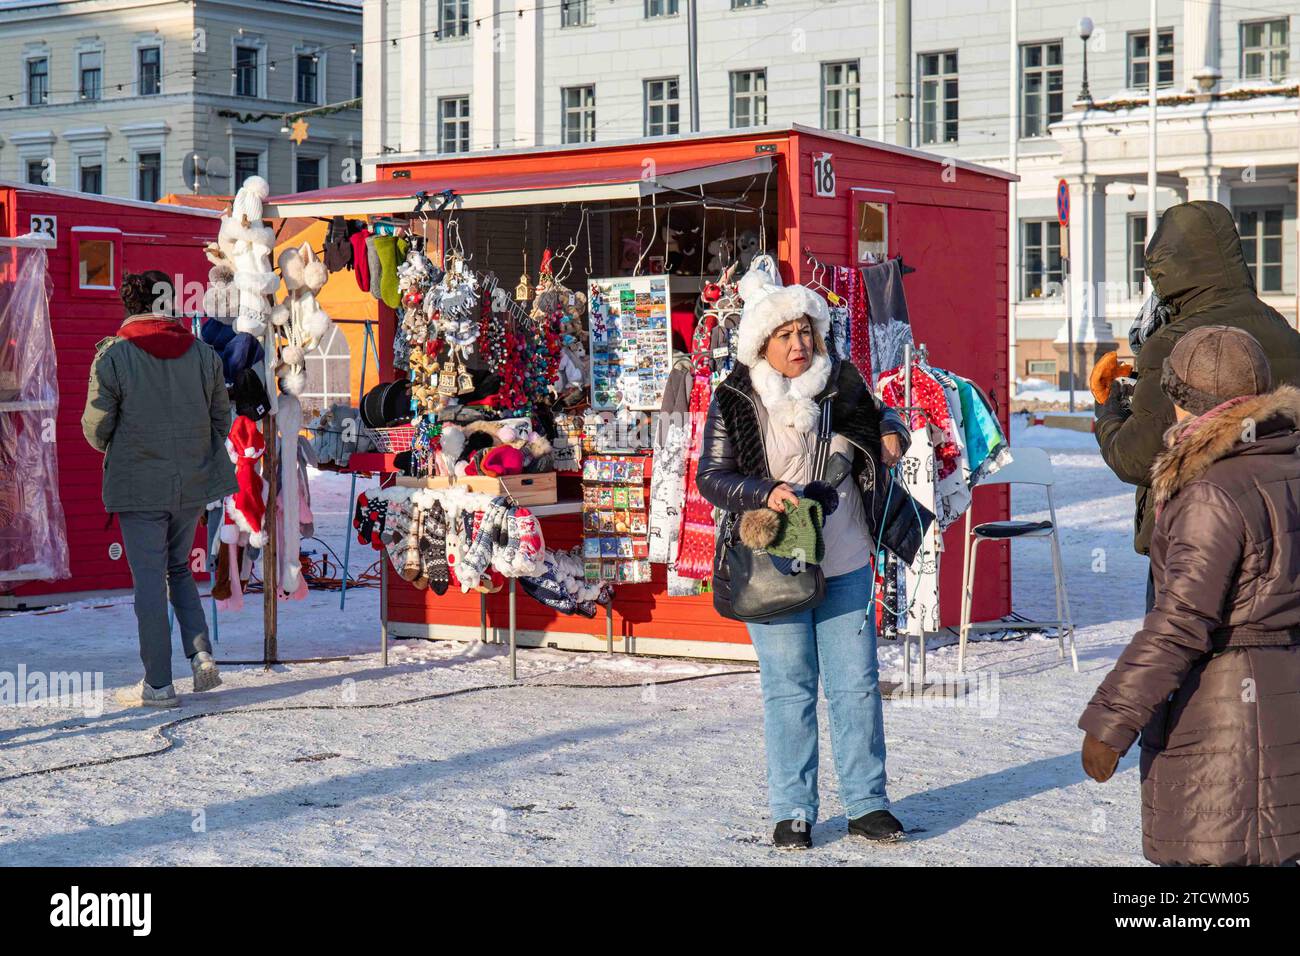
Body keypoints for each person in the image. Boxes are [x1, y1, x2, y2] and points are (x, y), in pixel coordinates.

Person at [696, 270, 910, 850]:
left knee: (857, 685)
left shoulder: (841, 381)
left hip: (843, 555)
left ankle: (868, 804)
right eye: (785, 334)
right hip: (773, 563)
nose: (799, 343)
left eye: (806, 331)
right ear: (761, 343)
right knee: (788, 690)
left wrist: (893, 431)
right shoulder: (735, 396)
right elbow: (711, 478)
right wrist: (763, 492)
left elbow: (880, 418)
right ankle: (793, 809)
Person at [1079, 326, 1300, 867]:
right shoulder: (1287, 463)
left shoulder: (1211, 493)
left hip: (1223, 725)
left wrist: (1111, 720)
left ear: (1181, 400)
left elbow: (1179, 621)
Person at [1095, 200, 1300, 610]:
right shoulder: (1286, 331)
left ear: (1167, 271)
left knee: (1182, 649)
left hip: (1194, 534)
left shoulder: (1172, 342)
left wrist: (1108, 407)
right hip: (1281, 532)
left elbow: (1137, 458)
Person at [81, 270, 237, 708]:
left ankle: (158, 684)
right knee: (181, 570)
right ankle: (201, 651)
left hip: (139, 486)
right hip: (191, 485)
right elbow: (220, 419)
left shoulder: (113, 357)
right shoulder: (204, 355)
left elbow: (97, 426)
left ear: (129, 306)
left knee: (149, 583)